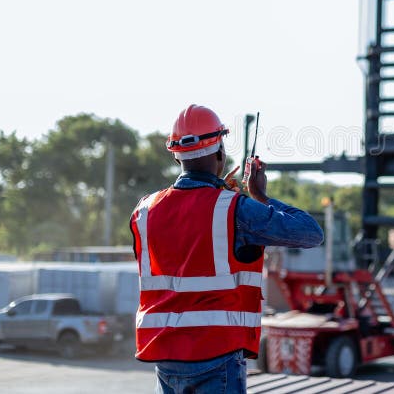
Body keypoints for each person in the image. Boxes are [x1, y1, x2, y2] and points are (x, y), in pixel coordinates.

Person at [130, 104, 323, 394]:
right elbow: (310, 233)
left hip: (165, 356)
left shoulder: (144, 210)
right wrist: (259, 196)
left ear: (176, 155)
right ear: (219, 152)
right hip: (216, 353)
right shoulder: (234, 209)